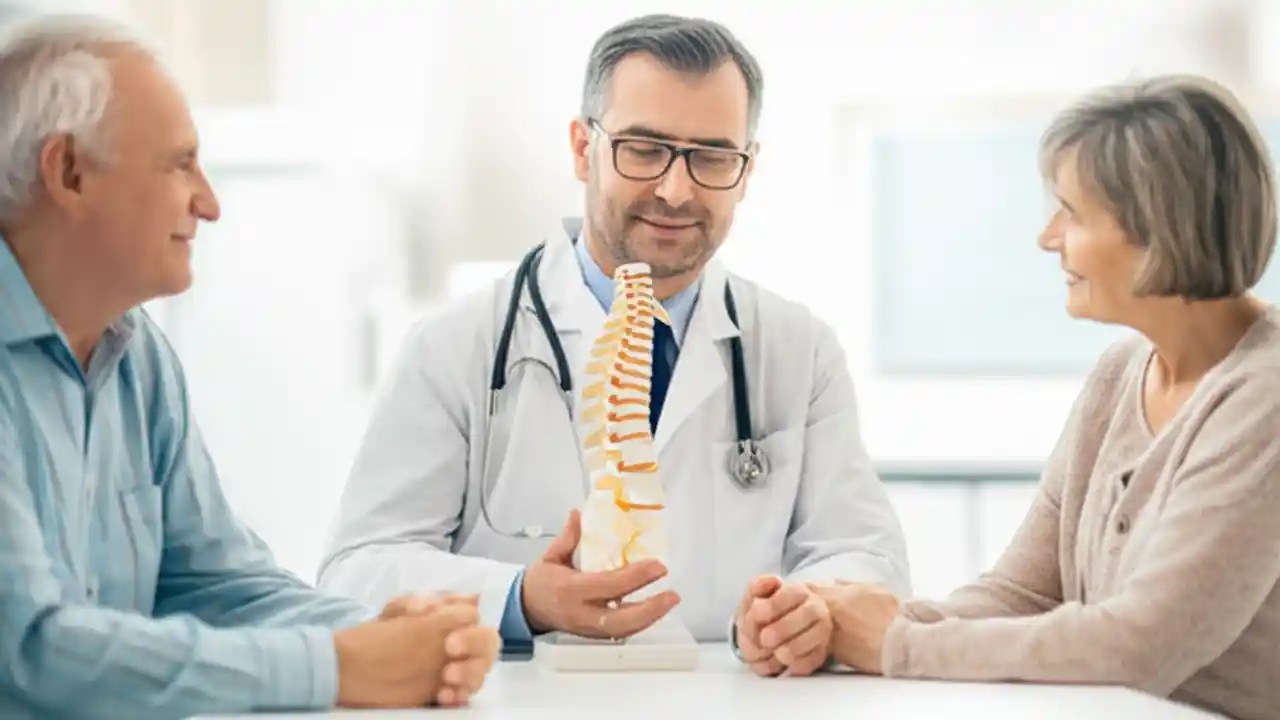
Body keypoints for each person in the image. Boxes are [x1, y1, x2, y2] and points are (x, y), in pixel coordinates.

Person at [318, 13, 909, 678]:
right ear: (583, 148)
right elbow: (356, 572)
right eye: (644, 149)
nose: (676, 190)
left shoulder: (799, 351)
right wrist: (520, 598)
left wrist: (807, 610)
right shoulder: (456, 345)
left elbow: (867, 557)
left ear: (746, 171)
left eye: (712, 157)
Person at [0, 15, 499, 719]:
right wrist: (337, 667)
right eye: (179, 164)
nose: (209, 203)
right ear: (69, 173)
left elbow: (216, 584)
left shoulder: (138, 357)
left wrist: (391, 638)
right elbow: (31, 649)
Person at [807, 75, 1280, 720]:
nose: (1049, 237)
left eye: (1073, 214)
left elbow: (1141, 646)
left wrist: (896, 643)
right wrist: (829, 623)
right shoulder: (1120, 372)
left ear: (1160, 226)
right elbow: (1022, 593)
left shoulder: (1264, 393)